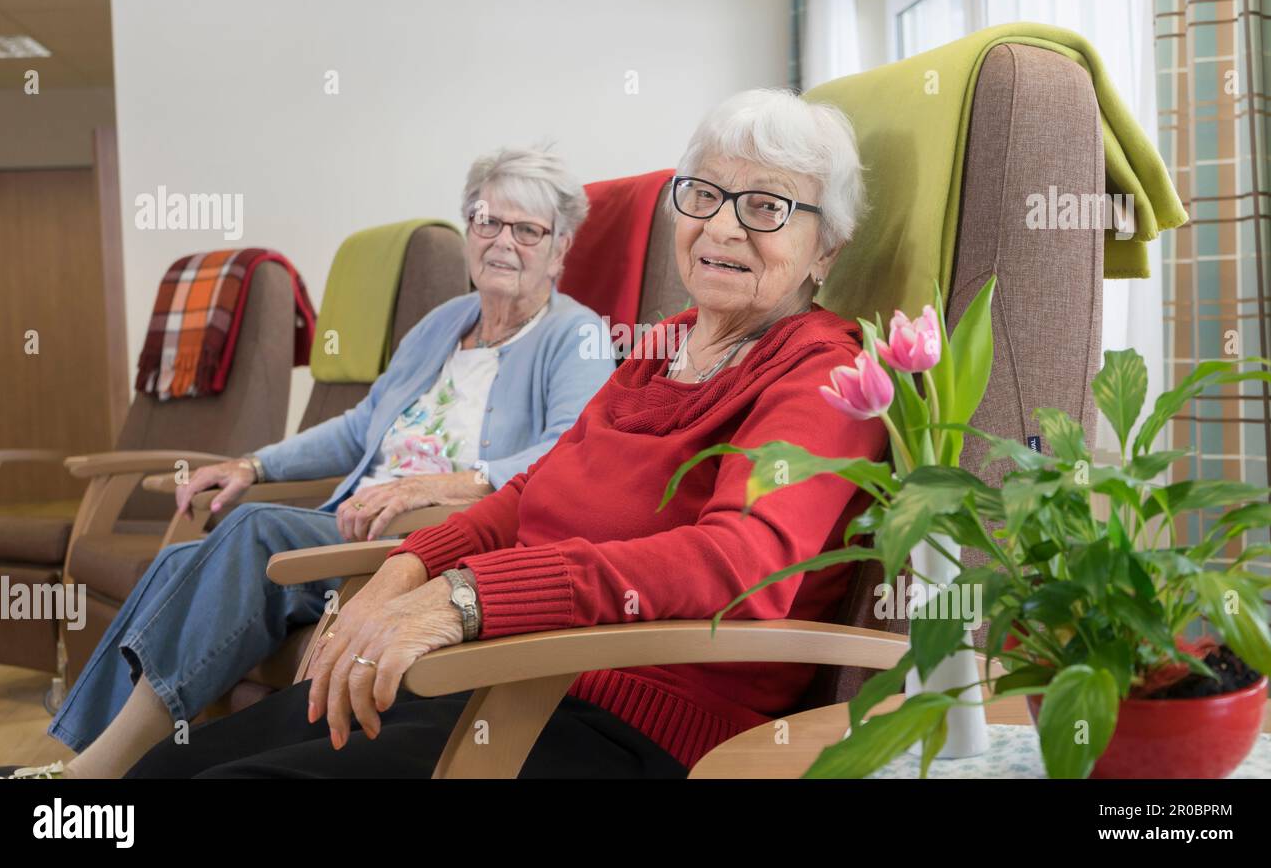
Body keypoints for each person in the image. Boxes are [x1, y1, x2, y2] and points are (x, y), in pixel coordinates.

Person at [127, 87, 889, 779]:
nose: (723, 225)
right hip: (511, 674)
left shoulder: (823, 375)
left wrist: (468, 597)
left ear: (827, 248)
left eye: (767, 207)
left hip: (632, 723)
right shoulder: (665, 346)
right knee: (167, 769)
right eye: (706, 195)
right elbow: (534, 491)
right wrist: (404, 570)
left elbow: (740, 567)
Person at [0, 146, 612, 779]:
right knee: (180, 559)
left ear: (559, 250)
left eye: (527, 229)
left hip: (437, 541)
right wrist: (254, 466)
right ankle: (94, 765)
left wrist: (455, 482)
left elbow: (573, 455)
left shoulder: (574, 337)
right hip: (357, 522)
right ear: (469, 232)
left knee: (253, 531)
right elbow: (361, 425)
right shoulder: (445, 323)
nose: (503, 241)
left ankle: (91, 780)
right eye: (487, 221)